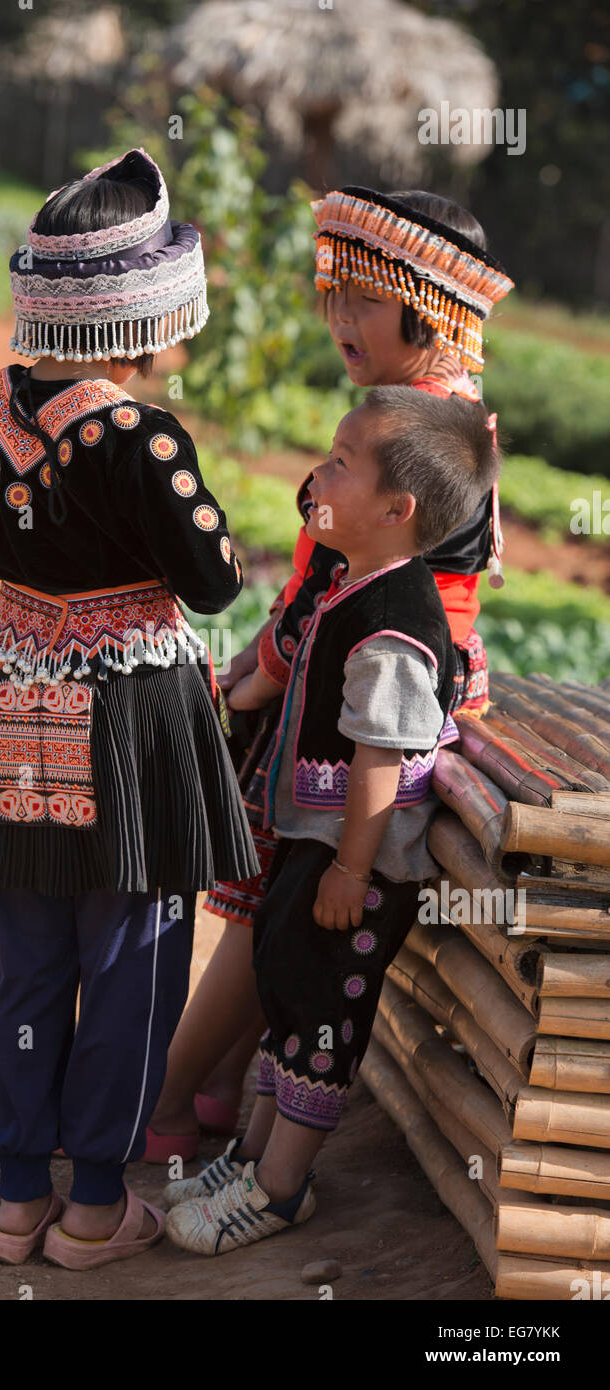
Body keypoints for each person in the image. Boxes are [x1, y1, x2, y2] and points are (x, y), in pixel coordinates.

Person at [0, 148, 259, 1269]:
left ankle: (15, 1198)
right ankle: (95, 1206)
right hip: (132, 716)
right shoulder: (140, 438)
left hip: (19, 684)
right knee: (131, 948)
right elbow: (213, 580)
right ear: (141, 316)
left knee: (28, 951)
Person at [145, 186, 514, 1161]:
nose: (340, 319)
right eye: (335, 295)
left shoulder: (421, 432)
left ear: (426, 307)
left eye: (364, 298)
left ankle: (168, 1099)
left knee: (267, 912)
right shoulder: (445, 414)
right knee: (269, 911)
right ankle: (214, 1093)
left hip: (349, 704)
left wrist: (257, 675)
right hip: (362, 688)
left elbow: (346, 590)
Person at [163, 383, 500, 1253]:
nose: (320, 472)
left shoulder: (392, 624)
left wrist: (351, 870)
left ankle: (277, 1190)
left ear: (397, 509)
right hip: (319, 851)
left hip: (356, 866)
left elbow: (378, 762)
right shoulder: (356, 587)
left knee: (321, 1022)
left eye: (342, 463)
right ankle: (251, 1157)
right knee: (288, 997)